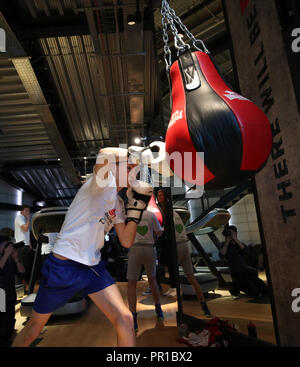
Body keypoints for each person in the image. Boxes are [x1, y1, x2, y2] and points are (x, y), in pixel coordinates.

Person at [12, 147, 153, 347]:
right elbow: (104, 153)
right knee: (33, 330)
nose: (133, 172)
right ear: (116, 167)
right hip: (64, 266)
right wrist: (135, 154)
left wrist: (135, 211)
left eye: (135, 168)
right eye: (129, 167)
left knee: (126, 319)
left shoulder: (119, 204)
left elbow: (126, 241)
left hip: (92, 267)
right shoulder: (102, 183)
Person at [127, 209, 164, 332]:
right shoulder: (151, 214)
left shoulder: (130, 214)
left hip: (135, 249)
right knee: (152, 280)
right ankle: (159, 312)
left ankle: (133, 318)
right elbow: (159, 232)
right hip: (149, 248)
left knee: (132, 284)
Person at [219, 225, 268, 298]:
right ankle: (235, 287)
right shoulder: (224, 244)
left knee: (265, 290)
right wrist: (227, 242)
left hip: (245, 269)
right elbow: (222, 255)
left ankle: (237, 286)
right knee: (255, 293)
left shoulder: (239, 244)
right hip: (235, 272)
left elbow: (245, 251)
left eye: (232, 233)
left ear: (236, 233)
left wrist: (235, 239)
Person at [0, 235, 25, 346]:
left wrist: (16, 259)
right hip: (0, 295)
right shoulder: (3, 259)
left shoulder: (10, 260)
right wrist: (6, 254)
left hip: (10, 294)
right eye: (5, 245)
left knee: (10, 319)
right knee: (2, 319)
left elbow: (22, 273)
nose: (8, 248)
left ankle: (7, 339)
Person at [14, 205, 32, 293]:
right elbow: (25, 229)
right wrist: (29, 219)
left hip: (25, 245)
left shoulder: (22, 218)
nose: (28, 212)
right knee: (21, 268)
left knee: (24, 267)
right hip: (21, 246)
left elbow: (25, 233)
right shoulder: (20, 218)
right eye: (26, 211)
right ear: (21, 211)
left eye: (29, 211)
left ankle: (22, 289)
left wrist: (29, 243)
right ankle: (20, 290)